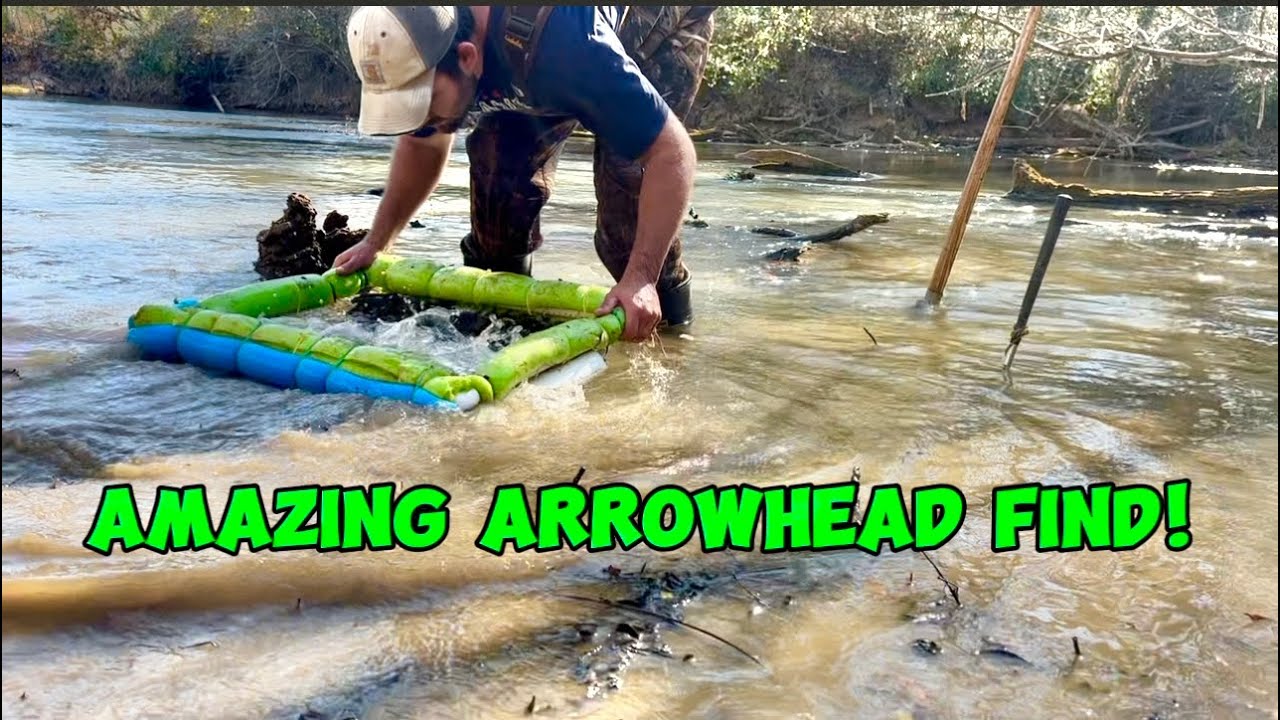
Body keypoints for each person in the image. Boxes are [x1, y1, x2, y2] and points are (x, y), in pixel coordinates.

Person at [333, 6, 716, 341]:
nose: (423, 121)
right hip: (532, 56)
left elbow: (672, 152)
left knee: (628, 224)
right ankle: (508, 331)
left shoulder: (568, 46)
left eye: (426, 104)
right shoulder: (422, 34)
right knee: (498, 209)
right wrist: (377, 241)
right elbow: (422, 142)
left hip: (653, 27)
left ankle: (672, 338)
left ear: (468, 58)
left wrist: (641, 277)